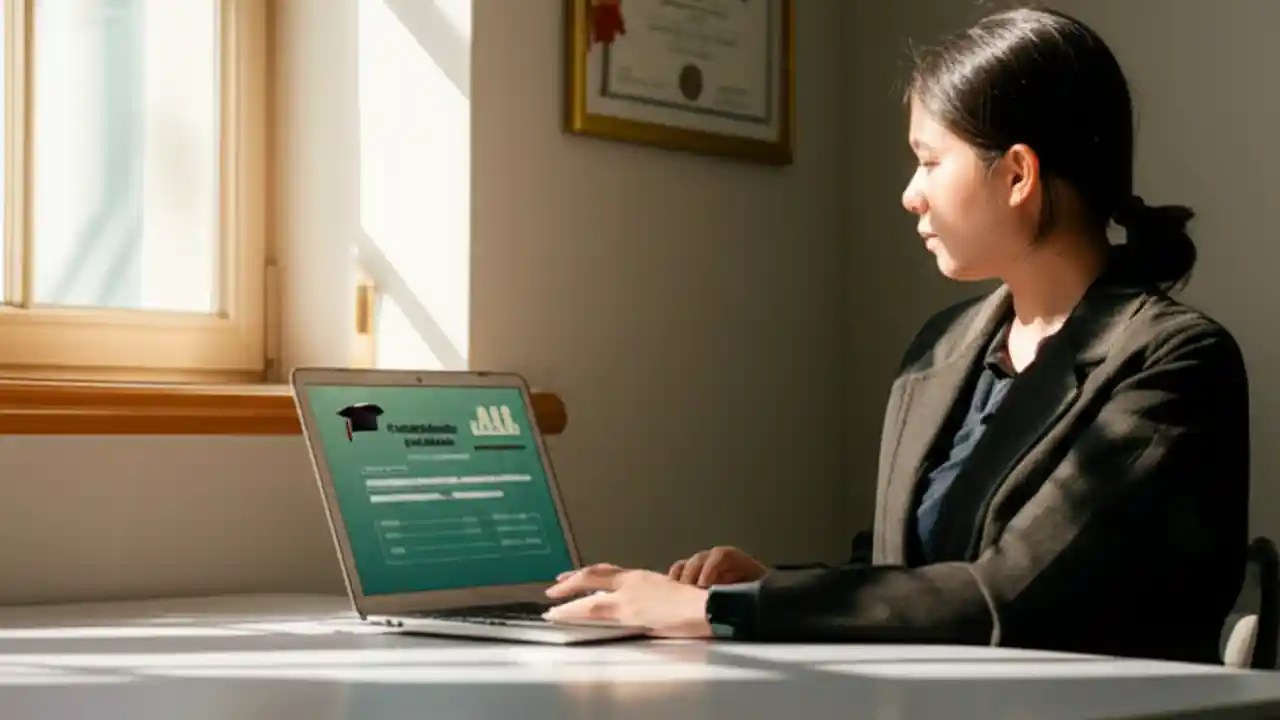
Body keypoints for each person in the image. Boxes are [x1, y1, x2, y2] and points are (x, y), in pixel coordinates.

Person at [543, 6, 1250, 664]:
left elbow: (1009, 597)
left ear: (1017, 175)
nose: (911, 192)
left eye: (930, 160)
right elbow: (900, 578)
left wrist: (720, 609)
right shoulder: (945, 347)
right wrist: (777, 585)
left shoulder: (1172, 363)